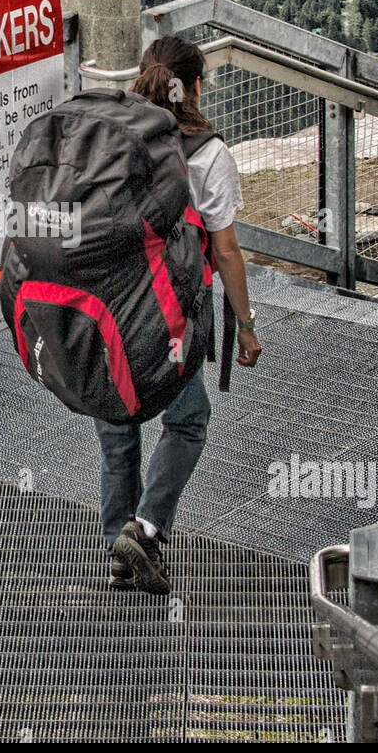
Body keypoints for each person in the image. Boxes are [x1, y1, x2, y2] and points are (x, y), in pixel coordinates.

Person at [102, 36, 262, 594]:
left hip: (110, 306)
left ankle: (119, 542)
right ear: (195, 86)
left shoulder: (109, 133)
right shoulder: (209, 154)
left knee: (118, 414)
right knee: (188, 415)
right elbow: (225, 250)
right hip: (171, 313)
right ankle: (144, 531)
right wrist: (244, 324)